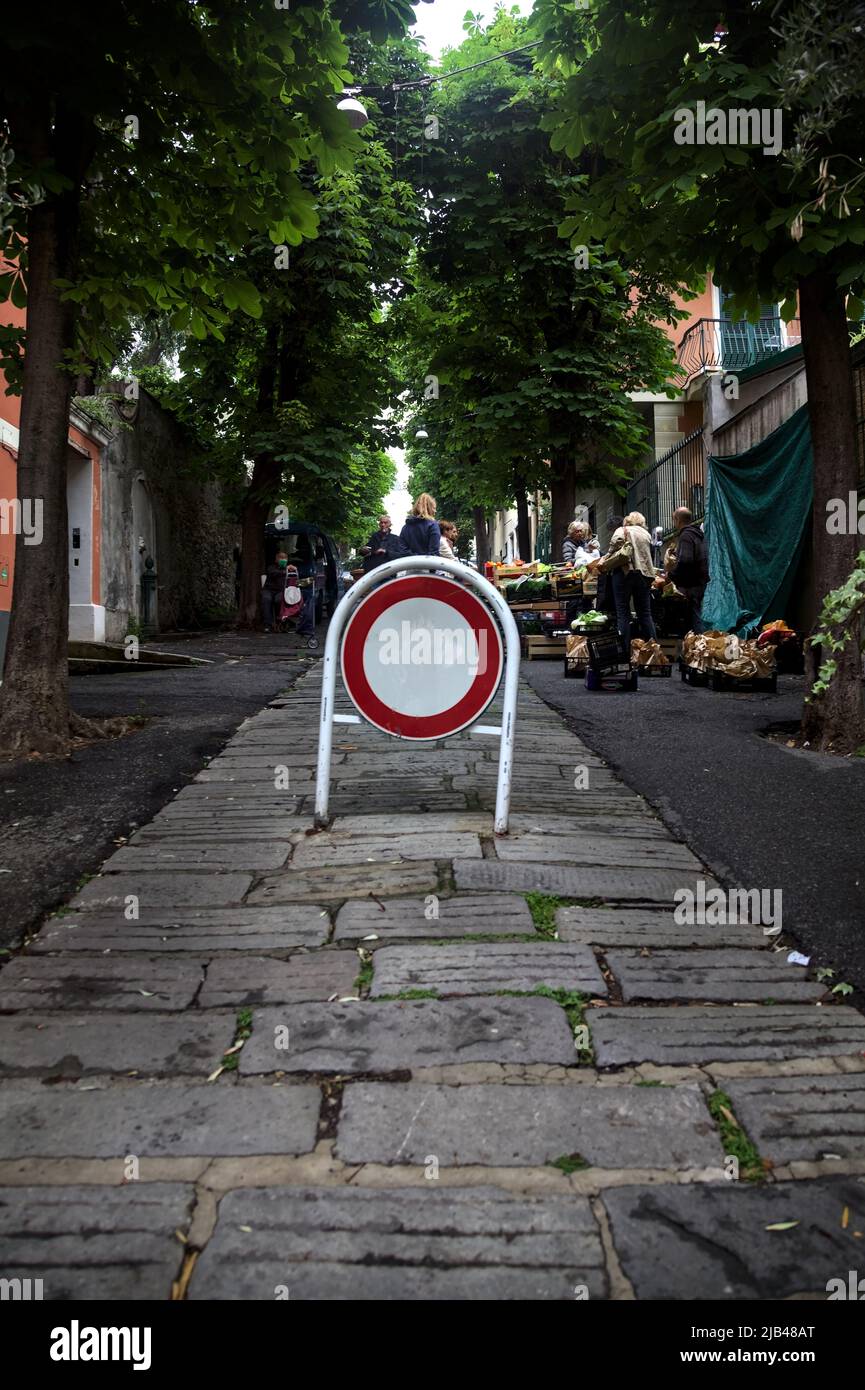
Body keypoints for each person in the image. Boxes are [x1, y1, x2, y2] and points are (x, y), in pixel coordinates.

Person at [599, 510, 658, 647]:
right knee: (645, 613)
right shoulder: (646, 534)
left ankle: (624, 650)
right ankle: (654, 649)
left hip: (624, 572)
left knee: (623, 612)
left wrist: (606, 559)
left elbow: (615, 544)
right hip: (644, 575)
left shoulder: (622, 530)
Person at [668, 506, 710, 634]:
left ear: (678, 520)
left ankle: (698, 647)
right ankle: (697, 646)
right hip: (699, 581)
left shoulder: (686, 536)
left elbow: (685, 561)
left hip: (690, 584)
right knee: (696, 614)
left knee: (693, 619)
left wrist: (672, 575)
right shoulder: (698, 534)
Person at [261, 549, 289, 631]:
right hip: (269, 589)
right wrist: (285, 571)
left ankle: (280, 622)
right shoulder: (271, 567)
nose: (282, 559)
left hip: (281, 591)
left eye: (284, 558)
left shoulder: (289, 569)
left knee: (279, 600)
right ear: (276, 559)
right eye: (280, 558)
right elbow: (273, 573)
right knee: (266, 599)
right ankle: (268, 624)